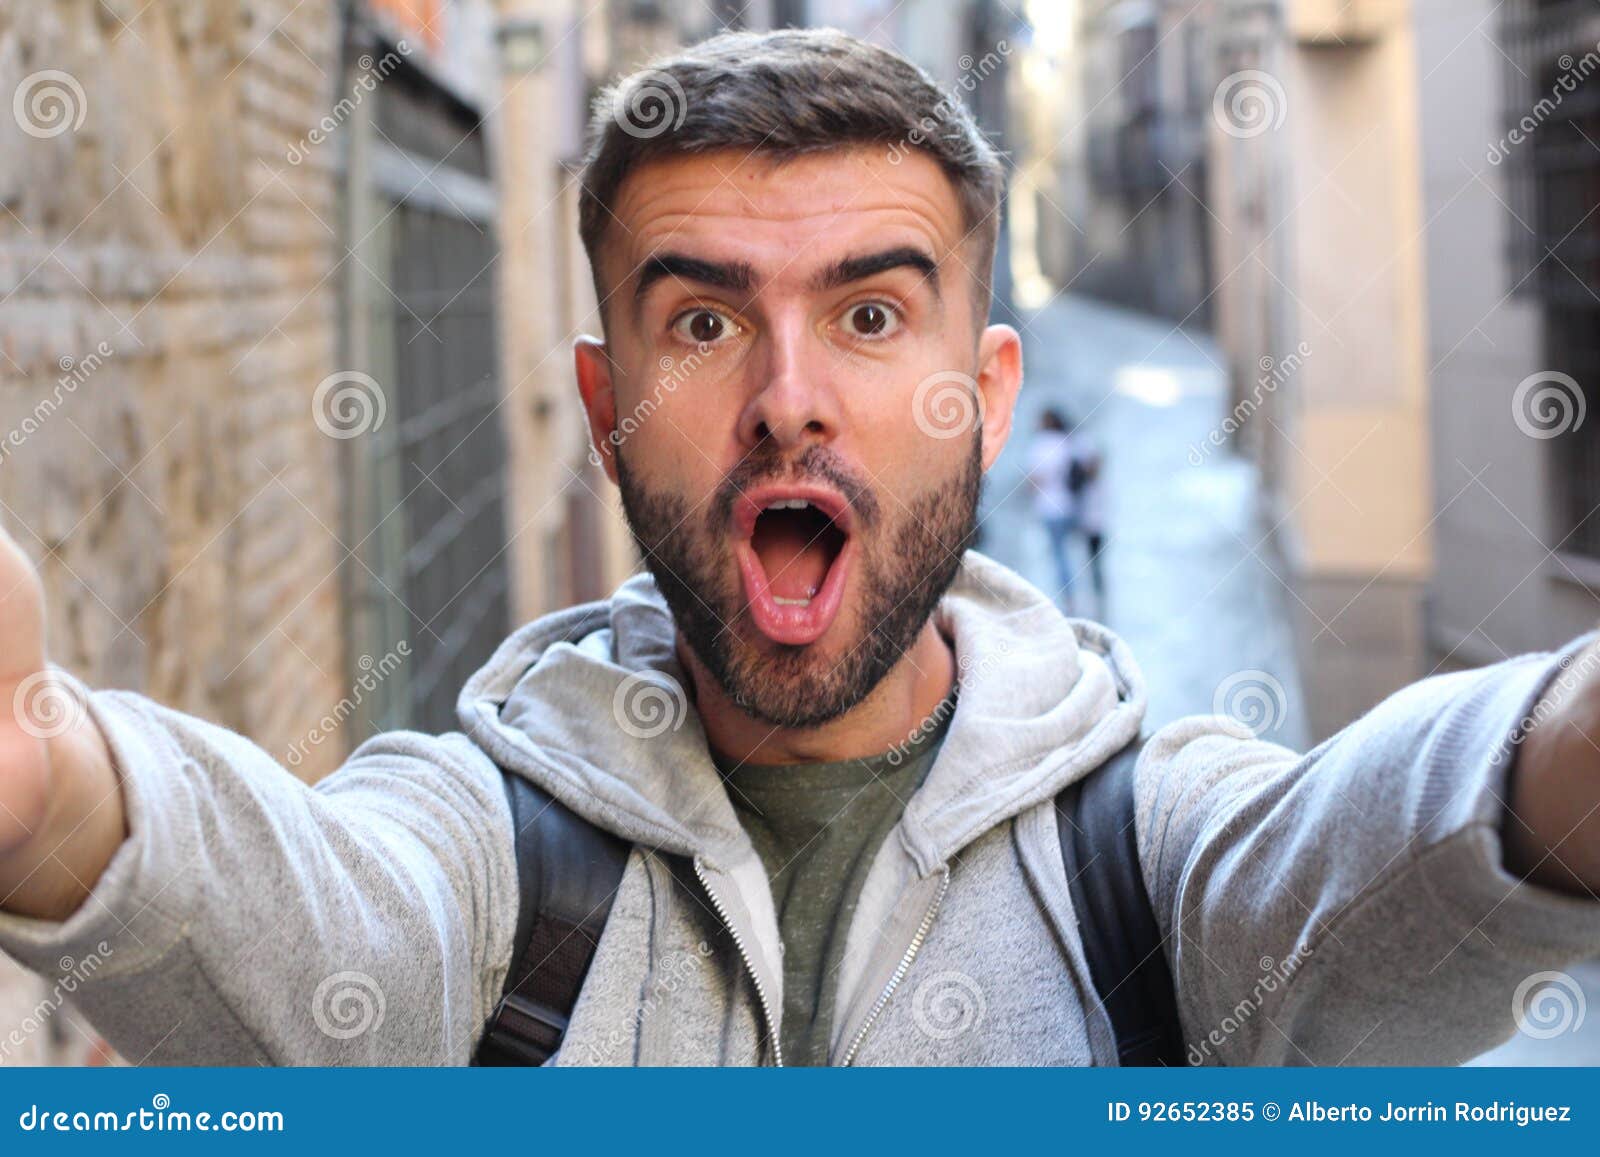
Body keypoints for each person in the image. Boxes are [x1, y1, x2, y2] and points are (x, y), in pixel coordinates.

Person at [3, 28, 1600, 1068]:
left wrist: (1573, 754)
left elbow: (1362, 866)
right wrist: (56, 786)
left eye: (870, 313)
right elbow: (325, 926)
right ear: (606, 401)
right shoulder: (494, 848)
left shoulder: (1147, 865)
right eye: (702, 321)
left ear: (982, 400)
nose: (787, 402)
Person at [1026, 409, 1078, 609]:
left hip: (1049, 507)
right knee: (1064, 551)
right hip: (1069, 505)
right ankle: (1069, 593)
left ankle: (1064, 594)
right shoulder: (1067, 442)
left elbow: (1034, 479)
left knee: (1057, 553)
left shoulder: (1041, 445)